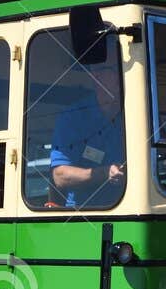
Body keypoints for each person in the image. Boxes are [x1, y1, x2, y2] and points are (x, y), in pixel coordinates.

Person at [50, 63, 126, 208]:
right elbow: (60, 176)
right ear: (97, 77)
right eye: (115, 68)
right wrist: (105, 173)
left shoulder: (137, 111)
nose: (122, 75)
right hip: (84, 215)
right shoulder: (72, 117)